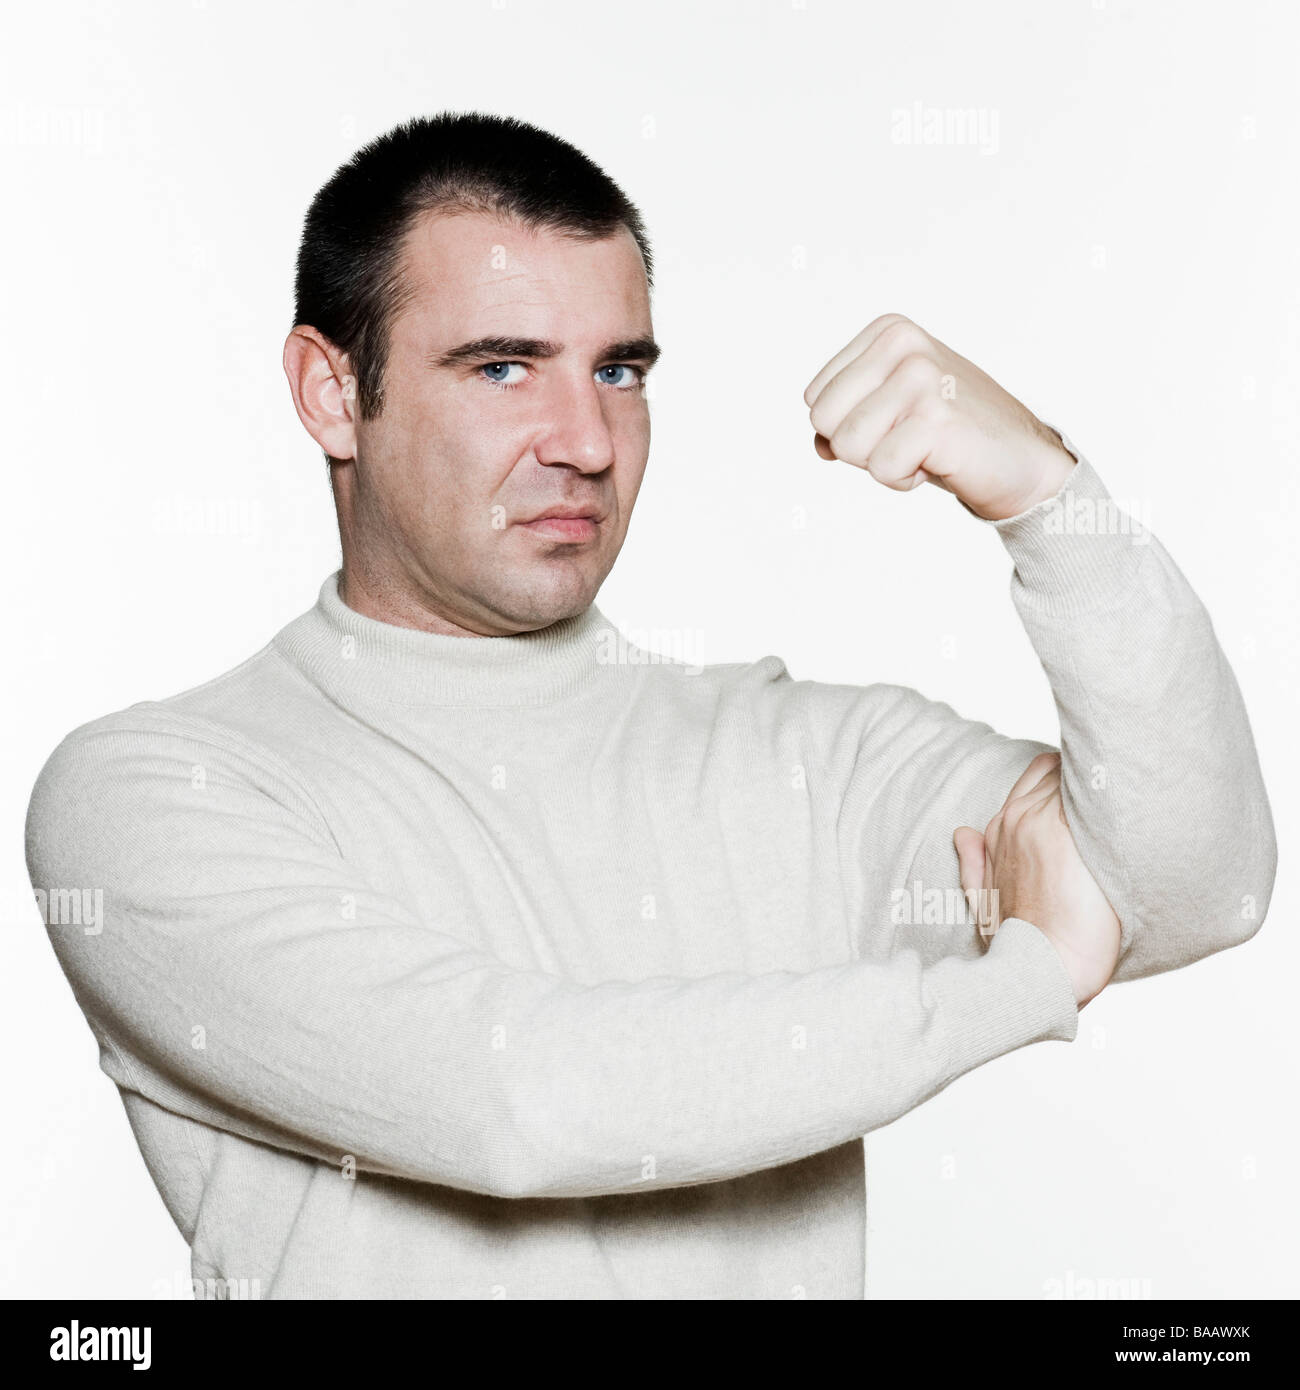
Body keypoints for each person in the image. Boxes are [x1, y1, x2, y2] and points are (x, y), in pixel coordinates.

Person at [25, 111, 1276, 1300]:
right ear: (327, 392)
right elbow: (516, 1098)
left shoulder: (800, 758)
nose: (585, 438)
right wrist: (1026, 977)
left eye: (618, 369)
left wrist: (1052, 504)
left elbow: (1195, 883)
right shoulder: (154, 791)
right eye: (503, 367)